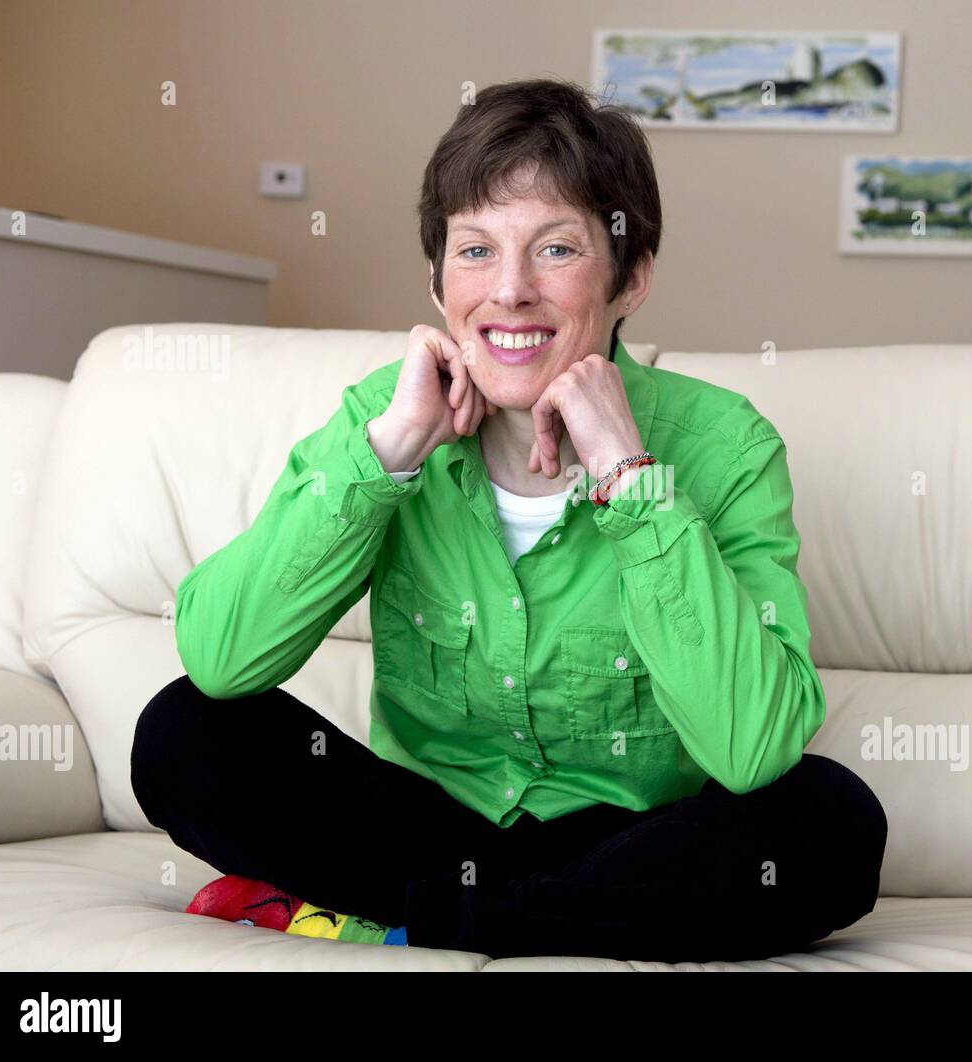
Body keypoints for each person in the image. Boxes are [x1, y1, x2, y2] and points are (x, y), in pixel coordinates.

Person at [131, 77, 887, 962]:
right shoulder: (383, 416)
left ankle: (442, 927)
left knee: (828, 822)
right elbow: (224, 659)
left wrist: (628, 481)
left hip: (633, 843)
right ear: (436, 276)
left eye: (557, 250)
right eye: (477, 251)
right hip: (424, 833)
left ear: (630, 277)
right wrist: (392, 452)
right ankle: (526, 920)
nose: (511, 292)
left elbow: (751, 748)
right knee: (185, 732)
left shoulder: (727, 446)